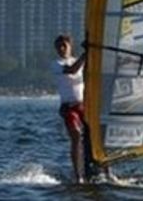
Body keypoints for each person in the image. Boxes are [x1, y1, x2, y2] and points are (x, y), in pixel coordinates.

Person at [51, 35, 88, 183]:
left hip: (83, 105)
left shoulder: (78, 60)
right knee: (76, 136)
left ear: (70, 46)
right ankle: (78, 176)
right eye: (58, 47)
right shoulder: (56, 64)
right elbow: (72, 70)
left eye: (64, 46)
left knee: (94, 136)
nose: (61, 49)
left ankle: (100, 168)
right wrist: (86, 53)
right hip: (68, 108)